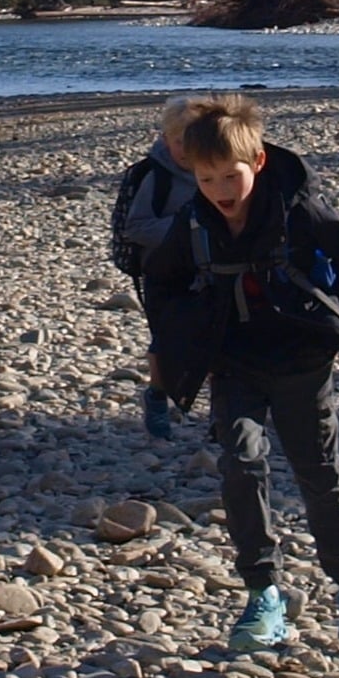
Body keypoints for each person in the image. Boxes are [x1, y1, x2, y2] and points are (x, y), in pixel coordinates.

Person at [142, 94, 339, 651]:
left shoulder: (299, 209)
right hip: (235, 361)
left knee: (318, 474)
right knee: (241, 466)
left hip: (302, 360)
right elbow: (162, 280)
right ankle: (263, 596)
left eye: (231, 177)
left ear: (258, 164)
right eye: (207, 179)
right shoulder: (194, 221)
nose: (221, 192)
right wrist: (183, 340)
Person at [115, 96, 205, 439]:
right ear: (165, 139)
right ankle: (156, 395)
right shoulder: (157, 176)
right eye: (179, 140)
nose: (186, 149)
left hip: (209, 271)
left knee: (217, 336)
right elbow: (135, 227)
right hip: (163, 274)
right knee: (165, 341)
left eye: (194, 140)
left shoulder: (215, 169)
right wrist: (187, 233)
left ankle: (222, 410)